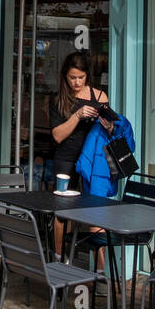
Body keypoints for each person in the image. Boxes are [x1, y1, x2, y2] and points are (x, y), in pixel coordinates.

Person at [49, 52, 112, 254]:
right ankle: (60, 257)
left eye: (81, 77)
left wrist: (109, 125)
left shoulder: (99, 97)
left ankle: (101, 269)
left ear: (87, 76)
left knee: (96, 209)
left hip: (93, 160)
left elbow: (108, 133)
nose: (76, 82)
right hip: (66, 159)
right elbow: (58, 136)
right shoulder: (59, 100)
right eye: (72, 78)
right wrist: (77, 114)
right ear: (65, 77)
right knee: (62, 212)